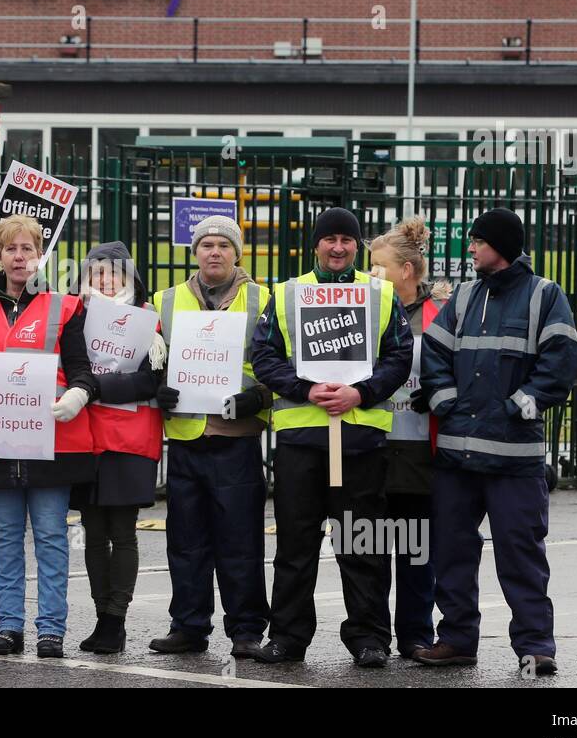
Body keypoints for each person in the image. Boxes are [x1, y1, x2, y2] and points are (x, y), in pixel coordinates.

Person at [417, 208, 577, 675]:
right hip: (457, 455)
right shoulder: (466, 296)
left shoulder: (545, 296)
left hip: (514, 461)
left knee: (521, 553)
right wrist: (445, 399)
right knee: (451, 550)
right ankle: (456, 639)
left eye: (477, 241)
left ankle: (535, 646)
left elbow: (561, 363)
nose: (469, 249)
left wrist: (516, 407)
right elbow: (434, 352)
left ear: (502, 246)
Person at [250, 207, 413, 667]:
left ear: (357, 246)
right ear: (315, 245)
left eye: (346, 239)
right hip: (302, 441)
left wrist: (360, 392)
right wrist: (307, 389)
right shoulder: (286, 294)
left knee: (363, 545)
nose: (337, 247)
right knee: (296, 545)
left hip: (360, 441)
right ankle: (287, 637)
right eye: (330, 239)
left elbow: (399, 357)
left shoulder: (379, 294)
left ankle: (369, 638)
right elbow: (264, 356)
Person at [0, 214, 98, 659]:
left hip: (53, 444)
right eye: (11, 249)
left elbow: (82, 369)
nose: (19, 257)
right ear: (0, 255)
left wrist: (78, 395)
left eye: (27, 249)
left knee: (50, 536)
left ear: (39, 255)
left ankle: (51, 628)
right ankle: (9, 625)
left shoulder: (65, 307)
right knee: (4, 537)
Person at [149, 215, 272, 660]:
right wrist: (155, 387)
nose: (214, 252)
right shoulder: (165, 300)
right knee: (186, 543)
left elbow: (279, 364)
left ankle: (245, 629)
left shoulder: (261, 299)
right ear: (195, 252)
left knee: (240, 542)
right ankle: (188, 626)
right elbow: (148, 361)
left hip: (235, 437)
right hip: (184, 439)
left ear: (237, 253)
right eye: (206, 245)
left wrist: (257, 398)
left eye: (223, 244)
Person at [74, 242, 167, 654]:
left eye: (113, 272)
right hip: (85, 437)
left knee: (121, 532)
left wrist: (95, 386)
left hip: (129, 437)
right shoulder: (74, 317)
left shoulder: (149, 322)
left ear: (129, 278)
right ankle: (101, 618)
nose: (105, 280)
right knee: (92, 531)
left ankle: (116, 619)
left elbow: (150, 381)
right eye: (96, 273)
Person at [368, 217, 450, 660]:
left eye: (378, 266)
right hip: (375, 445)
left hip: (421, 449)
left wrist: (437, 394)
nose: (371, 273)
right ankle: (374, 635)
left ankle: (416, 634)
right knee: (373, 549)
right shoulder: (364, 309)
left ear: (407, 270)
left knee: (418, 552)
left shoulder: (441, 312)